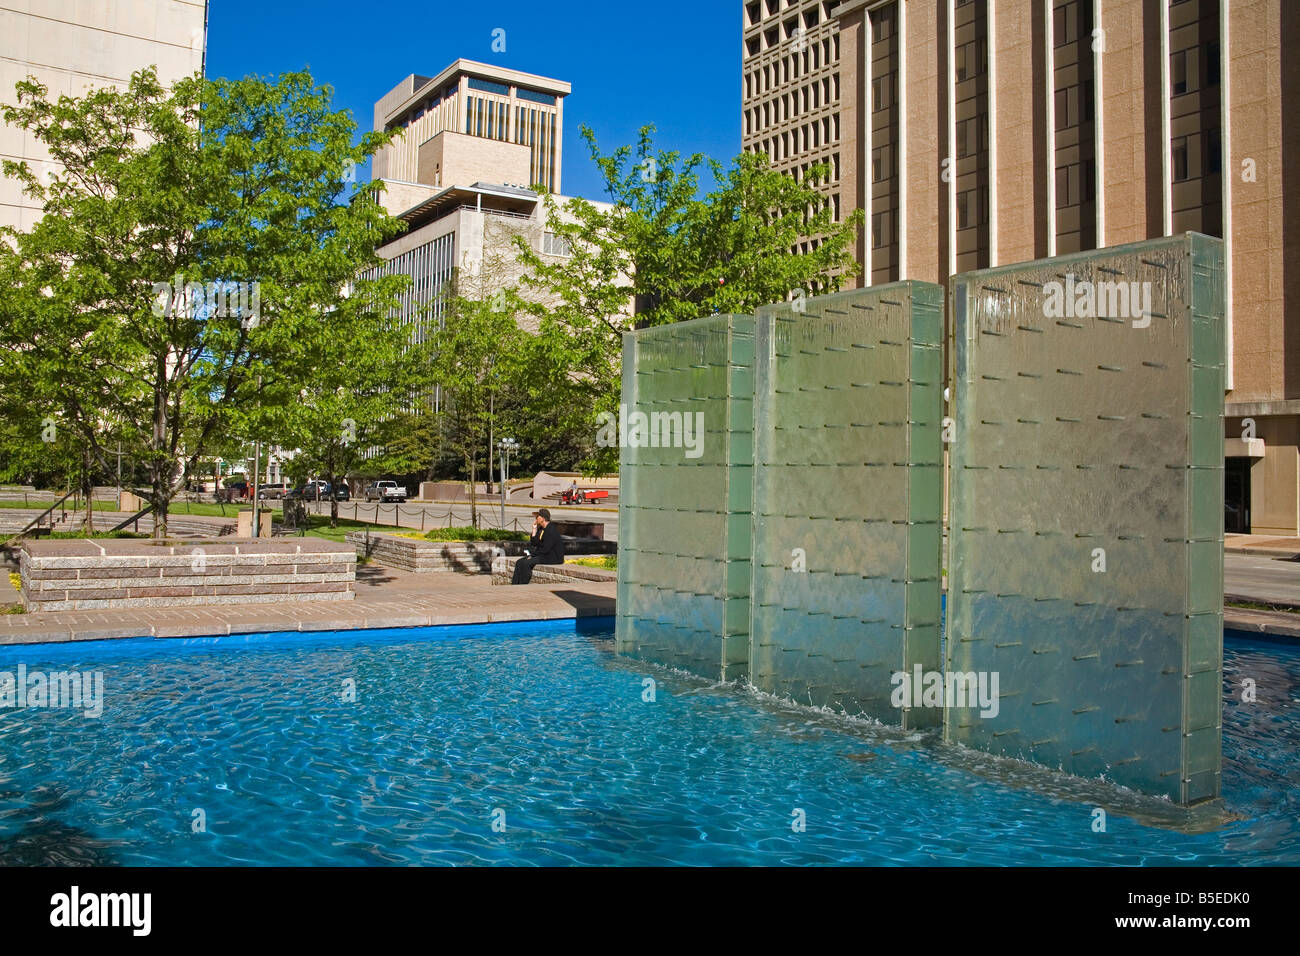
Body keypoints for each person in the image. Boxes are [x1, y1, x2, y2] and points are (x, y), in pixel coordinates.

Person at [511, 508, 565, 584]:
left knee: (526, 563)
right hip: (544, 555)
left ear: (543, 518)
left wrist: (532, 555)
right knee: (519, 562)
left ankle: (522, 584)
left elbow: (545, 549)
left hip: (552, 557)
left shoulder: (551, 530)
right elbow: (534, 543)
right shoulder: (541, 529)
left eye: (537, 516)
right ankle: (514, 585)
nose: (536, 518)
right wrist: (534, 530)